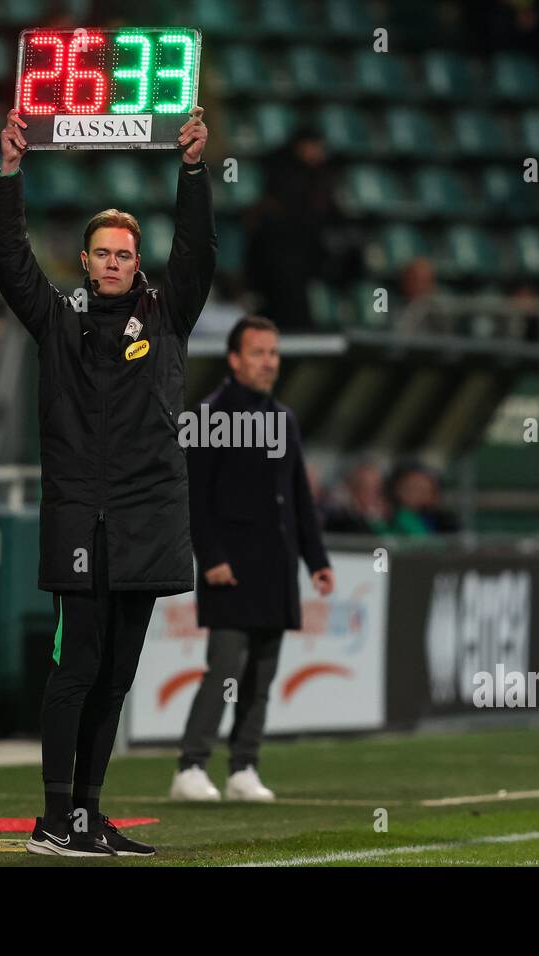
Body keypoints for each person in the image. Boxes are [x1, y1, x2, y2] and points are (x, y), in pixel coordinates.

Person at [0, 106, 214, 856]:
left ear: (136, 260)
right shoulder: (57, 320)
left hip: (150, 517)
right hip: (83, 518)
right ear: (84, 262)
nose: (114, 262)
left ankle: (87, 813)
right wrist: (11, 175)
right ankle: (53, 818)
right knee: (76, 669)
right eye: (102, 253)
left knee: (116, 677)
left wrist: (191, 170)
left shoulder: (169, 313)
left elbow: (198, 252)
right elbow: (9, 263)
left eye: (124, 252)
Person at [172, 316, 333, 802]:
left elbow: (298, 497)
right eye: (259, 353)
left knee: (262, 676)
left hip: (276, 568)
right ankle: (191, 767)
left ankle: (244, 766)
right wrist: (212, 557)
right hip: (230, 569)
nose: (270, 362)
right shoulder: (209, 416)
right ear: (235, 360)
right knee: (224, 669)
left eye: (274, 353)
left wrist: (316, 559)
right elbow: (193, 499)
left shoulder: (283, 419)